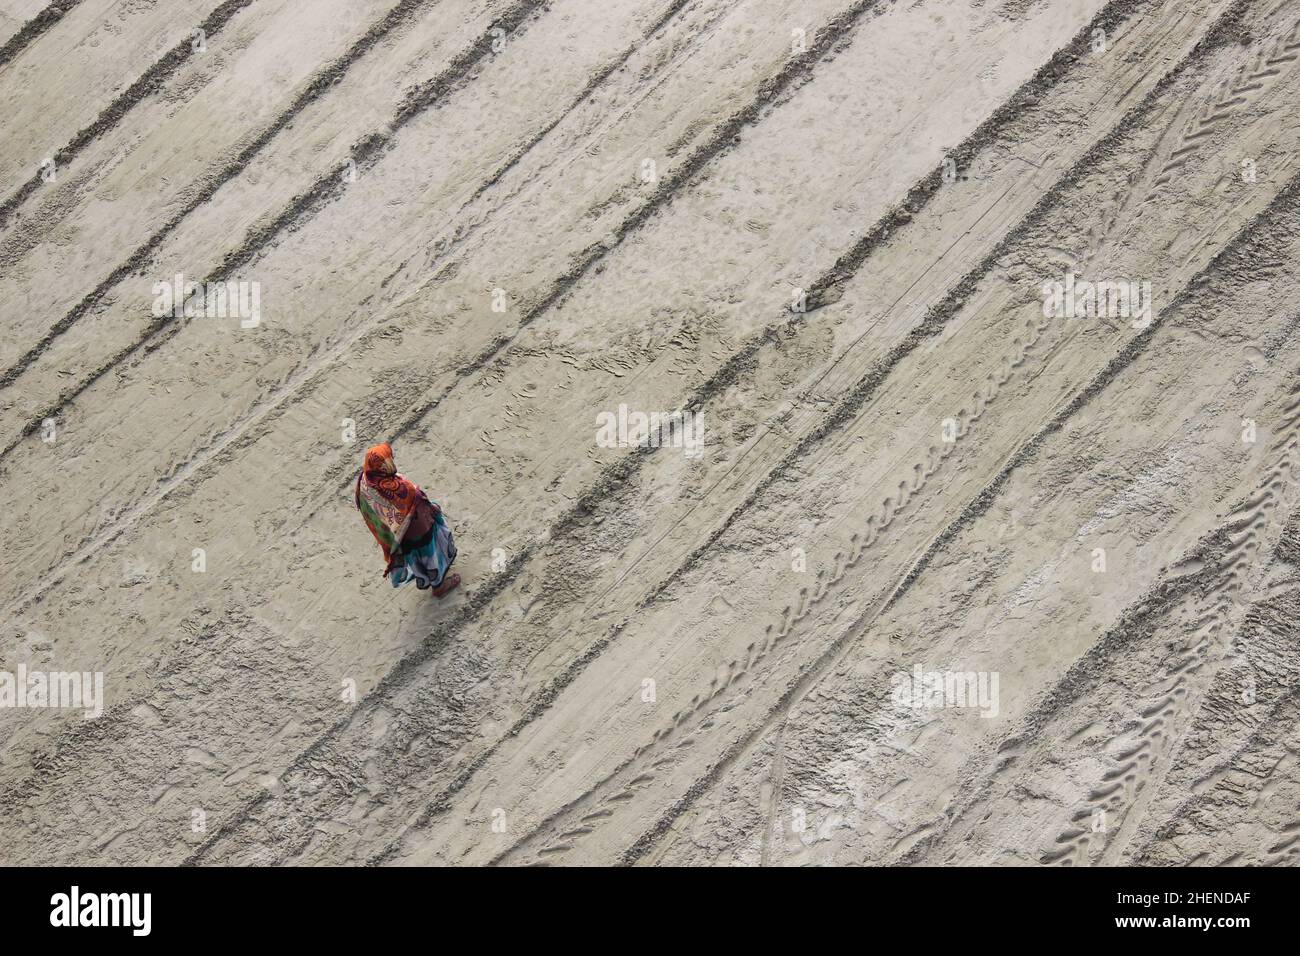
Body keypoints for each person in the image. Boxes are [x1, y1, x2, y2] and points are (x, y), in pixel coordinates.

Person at [355, 442, 460, 597]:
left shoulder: (365, 480)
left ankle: (427, 579)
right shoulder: (399, 488)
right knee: (430, 554)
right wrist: (433, 510)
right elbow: (418, 500)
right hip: (418, 528)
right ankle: (439, 586)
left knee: (416, 557)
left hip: (399, 536)